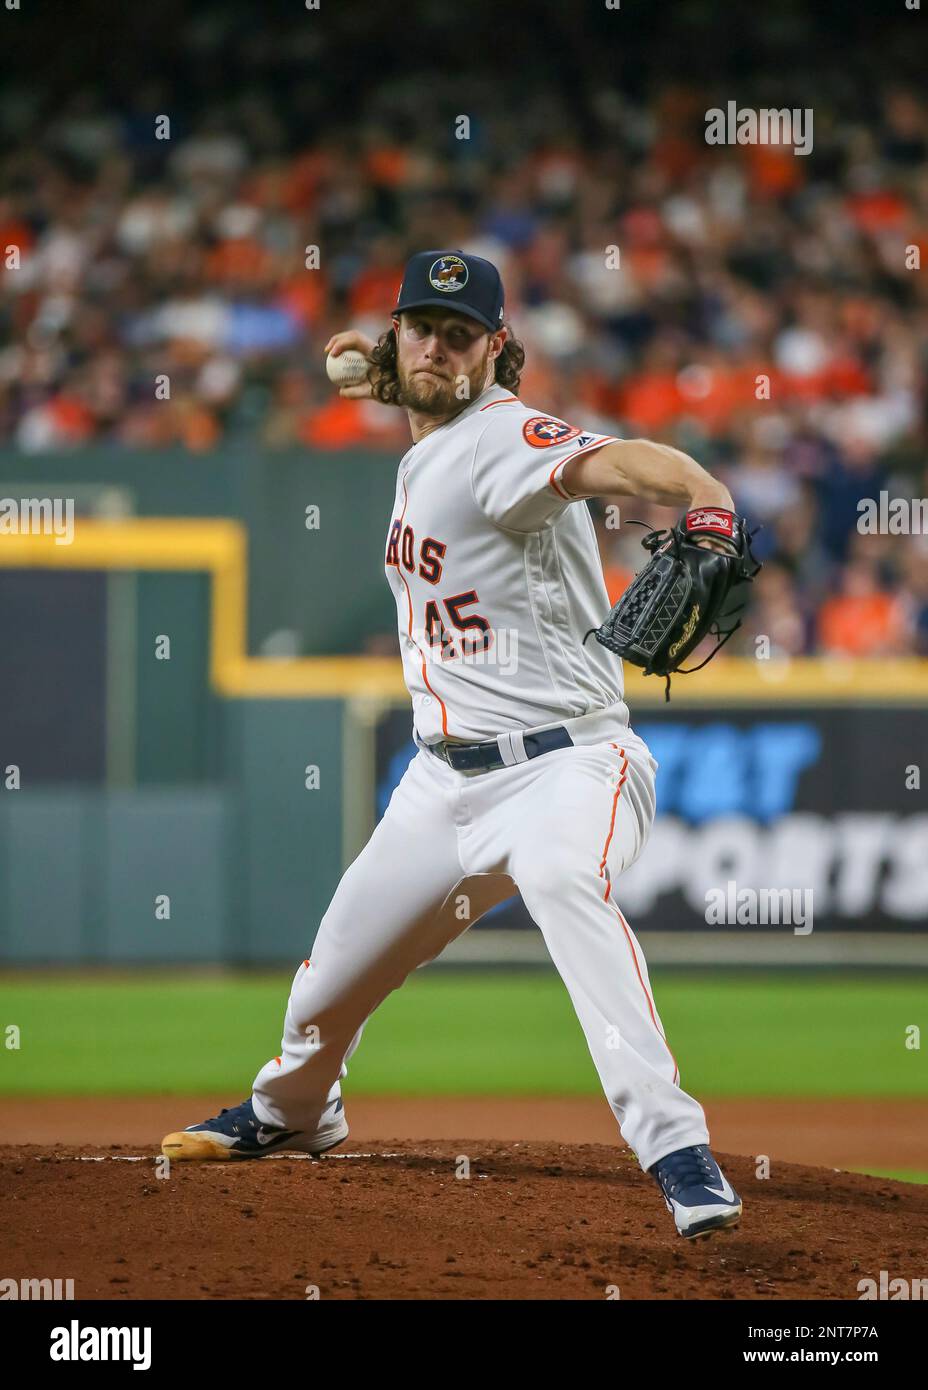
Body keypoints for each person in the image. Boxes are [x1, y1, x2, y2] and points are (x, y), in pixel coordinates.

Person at [162, 250, 743, 1239]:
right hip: (441, 784)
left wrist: (705, 496)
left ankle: (675, 1149)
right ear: (400, 333)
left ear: (495, 349)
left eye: (460, 334)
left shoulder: (501, 437)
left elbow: (618, 463)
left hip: (566, 765)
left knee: (564, 882)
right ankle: (293, 1111)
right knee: (327, 983)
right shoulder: (432, 437)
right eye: (422, 327)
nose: (438, 346)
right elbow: (415, 384)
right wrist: (382, 371)